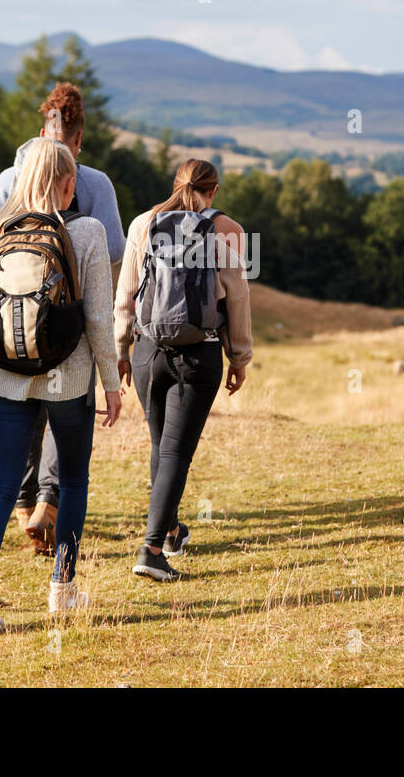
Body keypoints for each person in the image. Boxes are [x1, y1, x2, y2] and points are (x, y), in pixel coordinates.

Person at [0, 137, 122, 634]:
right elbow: (98, 318)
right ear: (69, 183)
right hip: (69, 379)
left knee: (2, 486)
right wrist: (112, 383)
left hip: (9, 376)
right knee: (73, 480)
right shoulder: (90, 231)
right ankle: (62, 590)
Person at [0, 82, 125, 554]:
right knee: (67, 428)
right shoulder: (95, 183)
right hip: (69, 342)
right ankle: (51, 507)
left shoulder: (6, 181)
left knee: (17, 432)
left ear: (40, 133)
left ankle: (18, 516)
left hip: (9, 342)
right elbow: (115, 254)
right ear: (78, 139)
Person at [114, 159, 253, 581]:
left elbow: (126, 295)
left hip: (148, 351)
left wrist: (121, 349)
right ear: (213, 191)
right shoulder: (227, 231)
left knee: (161, 445)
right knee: (175, 451)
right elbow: (237, 298)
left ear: (175, 184)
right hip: (199, 352)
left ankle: (171, 531)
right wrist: (240, 357)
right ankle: (152, 549)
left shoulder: (143, 223)